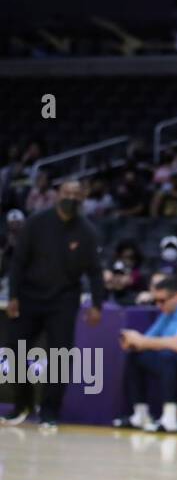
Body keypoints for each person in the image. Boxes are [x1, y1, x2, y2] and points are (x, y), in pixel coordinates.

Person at [2, 179, 105, 429]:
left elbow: (95, 272)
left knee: (60, 356)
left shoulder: (88, 232)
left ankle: (49, 411)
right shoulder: (36, 222)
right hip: (29, 296)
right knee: (15, 350)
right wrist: (13, 296)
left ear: (83, 198)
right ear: (58, 194)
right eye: (67, 193)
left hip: (63, 300)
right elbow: (18, 261)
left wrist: (97, 305)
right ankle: (22, 405)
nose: (71, 198)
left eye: (76, 194)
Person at [118, 276, 177, 433]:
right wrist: (133, 342)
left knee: (167, 356)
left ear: (176, 296)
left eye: (162, 301)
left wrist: (141, 341)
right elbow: (147, 340)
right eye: (155, 301)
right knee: (135, 356)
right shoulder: (167, 313)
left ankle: (170, 418)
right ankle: (140, 414)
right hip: (174, 361)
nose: (158, 305)